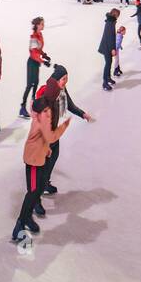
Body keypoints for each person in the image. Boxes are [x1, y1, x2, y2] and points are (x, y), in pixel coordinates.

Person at [12, 95, 69, 242]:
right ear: (40, 112)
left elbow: (43, 139)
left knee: (38, 189)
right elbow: (50, 137)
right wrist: (64, 126)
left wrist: (46, 149)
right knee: (32, 193)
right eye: (46, 111)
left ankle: (28, 218)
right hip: (32, 161)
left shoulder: (42, 117)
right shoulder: (40, 120)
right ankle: (20, 224)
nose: (49, 114)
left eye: (49, 111)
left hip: (39, 157)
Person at [32, 64, 95, 198]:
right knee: (43, 163)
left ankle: (44, 183)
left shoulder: (62, 89)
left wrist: (83, 114)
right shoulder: (46, 93)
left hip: (54, 131)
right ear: (56, 80)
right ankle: (36, 197)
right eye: (63, 79)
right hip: (44, 135)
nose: (65, 82)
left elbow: (70, 105)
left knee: (54, 156)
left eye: (67, 79)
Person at [22, 17, 51, 116]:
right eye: (42, 24)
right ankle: (22, 107)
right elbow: (33, 54)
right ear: (37, 25)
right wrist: (43, 61)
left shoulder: (40, 35)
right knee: (30, 85)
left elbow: (38, 50)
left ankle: (33, 103)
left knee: (36, 83)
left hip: (36, 62)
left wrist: (44, 54)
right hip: (31, 63)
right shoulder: (33, 37)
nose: (43, 25)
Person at [97, 10, 120, 91]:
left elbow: (111, 36)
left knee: (109, 63)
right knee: (107, 64)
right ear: (115, 15)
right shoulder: (110, 23)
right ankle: (105, 83)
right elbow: (110, 37)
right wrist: (112, 49)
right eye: (118, 16)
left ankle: (108, 78)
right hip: (107, 47)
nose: (118, 17)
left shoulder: (110, 21)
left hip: (107, 46)